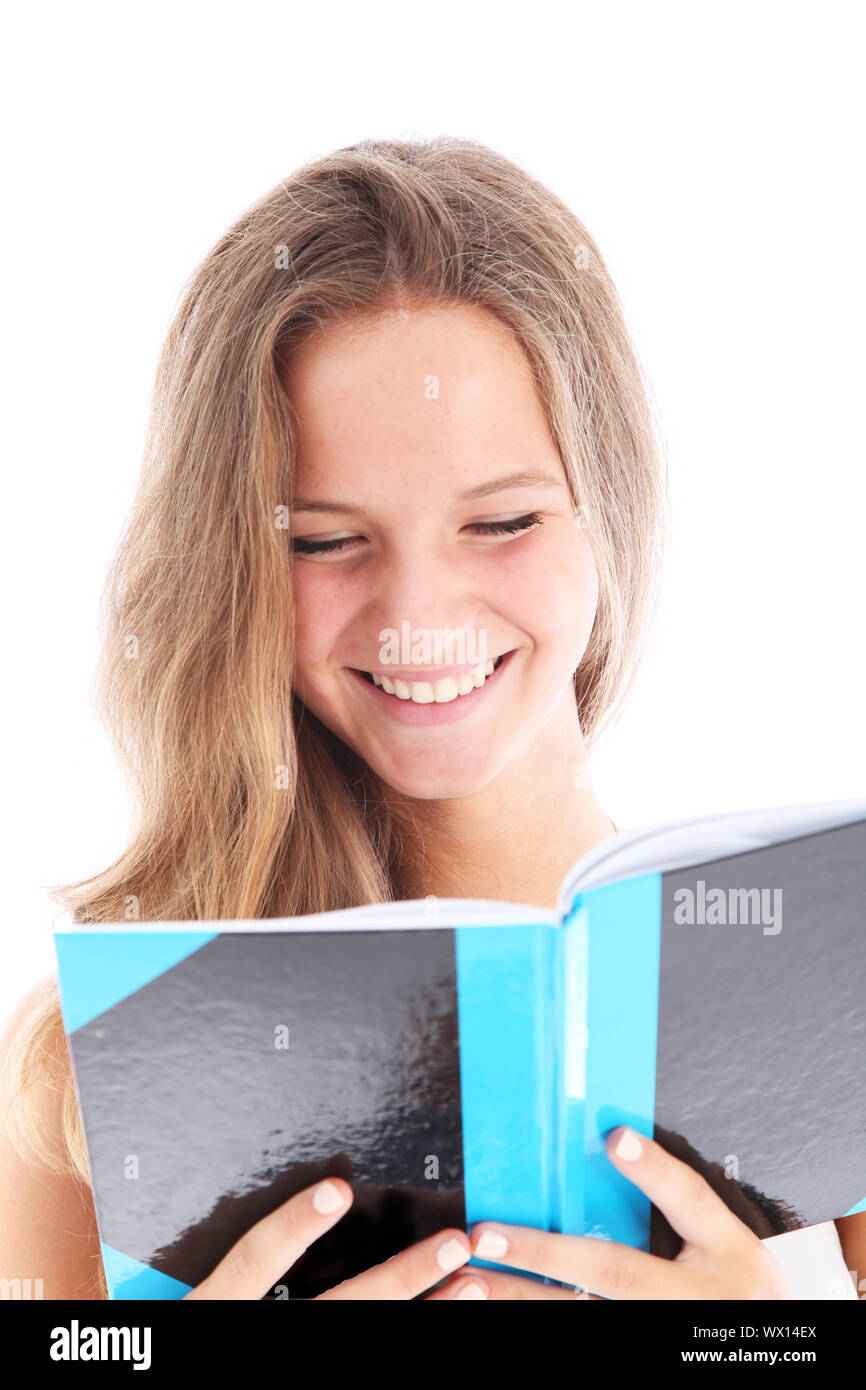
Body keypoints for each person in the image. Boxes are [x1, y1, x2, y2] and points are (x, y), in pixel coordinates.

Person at [1, 136, 862, 1300]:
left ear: (605, 512)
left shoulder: (818, 976)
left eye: (501, 522)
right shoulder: (94, 1064)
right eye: (324, 540)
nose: (417, 615)